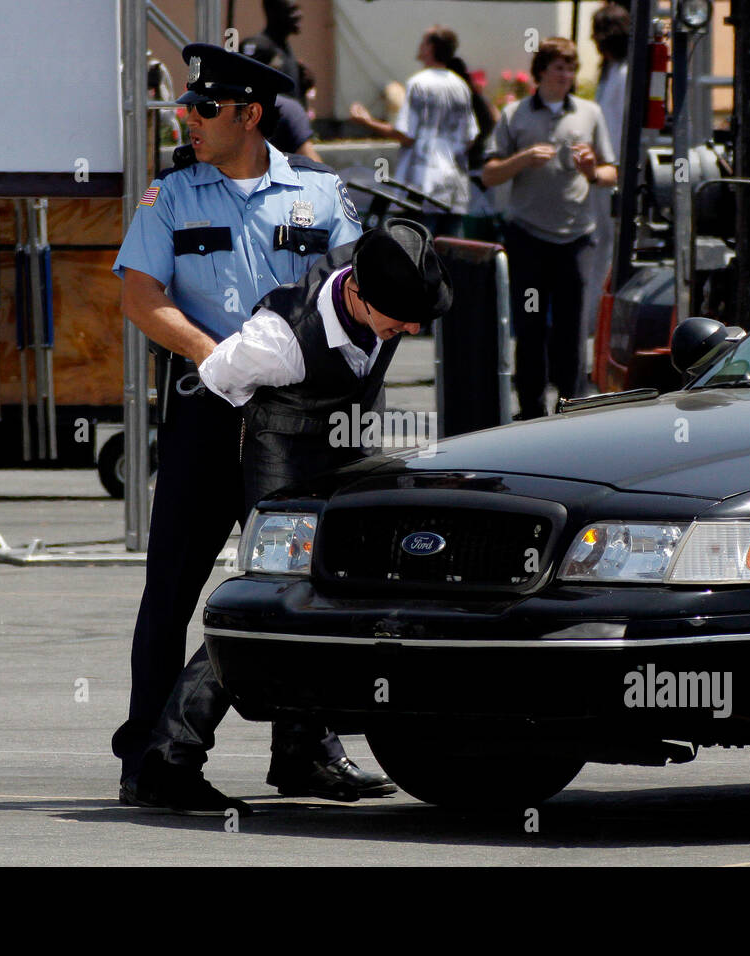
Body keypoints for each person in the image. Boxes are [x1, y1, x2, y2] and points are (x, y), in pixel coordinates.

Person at [111, 43, 391, 814]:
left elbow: (359, 291)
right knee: (170, 590)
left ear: (249, 115)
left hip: (298, 423)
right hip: (208, 412)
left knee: (301, 586)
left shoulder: (319, 192)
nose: (187, 119)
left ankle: (305, 751)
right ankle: (148, 753)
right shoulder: (169, 197)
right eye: (186, 107)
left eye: (204, 109)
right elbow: (140, 297)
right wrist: (222, 360)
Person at [131, 219, 452, 814]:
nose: (409, 330)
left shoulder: (385, 273)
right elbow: (219, 381)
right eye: (399, 319)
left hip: (346, 445)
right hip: (278, 447)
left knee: (338, 594)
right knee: (274, 605)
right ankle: (166, 758)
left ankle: (301, 752)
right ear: (356, 295)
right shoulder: (275, 339)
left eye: (415, 320)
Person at [480, 37, 618, 419]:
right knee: (531, 324)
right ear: (540, 71)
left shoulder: (589, 113)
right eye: (558, 67)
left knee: (572, 328)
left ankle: (571, 405)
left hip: (576, 237)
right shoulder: (515, 115)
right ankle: (531, 408)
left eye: (571, 68)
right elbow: (489, 175)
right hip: (528, 236)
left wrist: (592, 171)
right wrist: (522, 158)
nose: (565, 75)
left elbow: (611, 172)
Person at [349, 26, 479, 238]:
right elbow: (470, 138)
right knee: (449, 254)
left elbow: (406, 135)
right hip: (454, 187)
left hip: (421, 186)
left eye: (423, 41)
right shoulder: (460, 85)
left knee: (417, 252)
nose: (419, 46)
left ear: (430, 48)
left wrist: (367, 122)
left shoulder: (419, 83)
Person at [585, 3, 631, 334]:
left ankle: (597, 321)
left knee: (607, 248)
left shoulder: (625, 73)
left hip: (614, 169)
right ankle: (594, 320)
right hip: (604, 168)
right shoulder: (612, 71)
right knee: (601, 247)